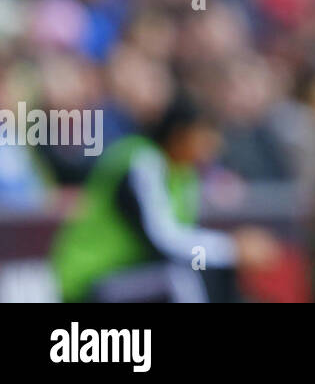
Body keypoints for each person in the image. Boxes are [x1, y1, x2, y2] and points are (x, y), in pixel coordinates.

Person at [50, 92, 281, 302]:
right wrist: (232, 249)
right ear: (180, 134)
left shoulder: (184, 174)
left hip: (135, 272)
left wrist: (228, 254)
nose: (213, 146)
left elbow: (185, 241)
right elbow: (163, 241)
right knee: (184, 276)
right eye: (205, 136)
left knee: (212, 268)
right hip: (91, 279)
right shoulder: (140, 161)